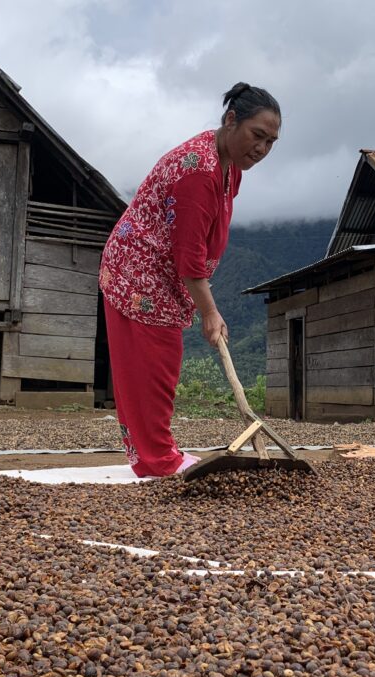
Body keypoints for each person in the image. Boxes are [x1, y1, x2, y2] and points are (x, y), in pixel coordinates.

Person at [99, 82, 281, 477]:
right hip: (140, 274)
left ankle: (155, 455)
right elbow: (188, 258)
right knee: (152, 371)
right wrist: (210, 313)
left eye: (270, 142)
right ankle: (158, 462)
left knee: (156, 369)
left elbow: (199, 241)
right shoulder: (198, 171)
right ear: (231, 120)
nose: (262, 149)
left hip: (163, 275)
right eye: (257, 136)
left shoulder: (228, 165)